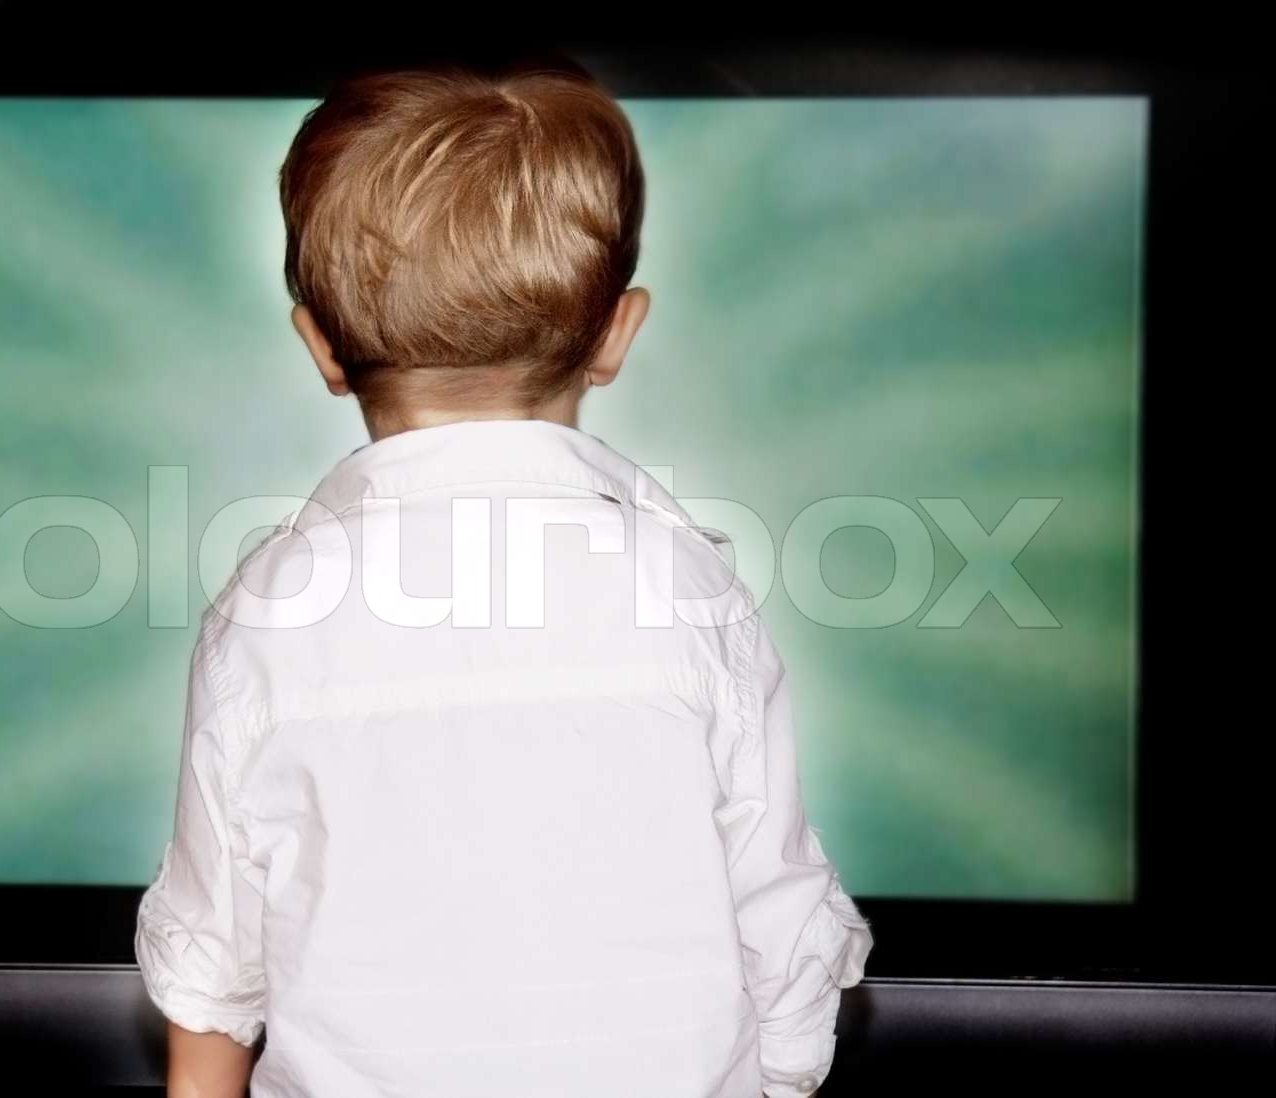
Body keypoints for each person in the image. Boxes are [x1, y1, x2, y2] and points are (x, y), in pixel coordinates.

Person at [135, 60, 872, 1098]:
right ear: (617, 331)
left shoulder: (264, 610)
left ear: (321, 348)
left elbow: (213, 965)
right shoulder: (688, 589)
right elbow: (781, 919)